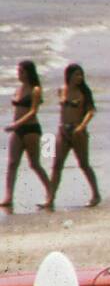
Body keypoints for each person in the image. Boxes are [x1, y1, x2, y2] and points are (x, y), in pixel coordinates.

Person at [44, 64, 100, 208]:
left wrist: (82, 127)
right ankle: (50, 199)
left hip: (78, 131)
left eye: (81, 75)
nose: (79, 78)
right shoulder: (62, 90)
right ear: (68, 75)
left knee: (84, 164)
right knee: (57, 166)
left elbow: (91, 111)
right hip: (63, 131)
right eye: (76, 75)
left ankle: (96, 194)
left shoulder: (84, 92)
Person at [2, 61, 52, 210]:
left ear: (29, 73)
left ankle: (50, 192)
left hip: (31, 130)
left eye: (21, 72)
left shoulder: (35, 90)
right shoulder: (18, 89)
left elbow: (33, 111)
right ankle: (8, 196)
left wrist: (16, 124)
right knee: (12, 164)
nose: (19, 74)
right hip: (17, 131)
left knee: (35, 164)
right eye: (18, 71)